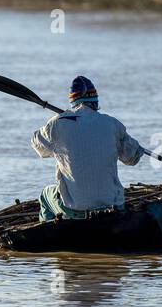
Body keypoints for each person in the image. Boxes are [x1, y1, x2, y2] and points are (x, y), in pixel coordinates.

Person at [31, 75, 146, 221]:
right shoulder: (112, 124)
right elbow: (131, 158)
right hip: (113, 206)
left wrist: (54, 124)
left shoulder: (58, 123)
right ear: (96, 101)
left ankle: (47, 238)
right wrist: (137, 148)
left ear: (73, 102)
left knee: (45, 195)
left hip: (74, 209)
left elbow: (38, 147)